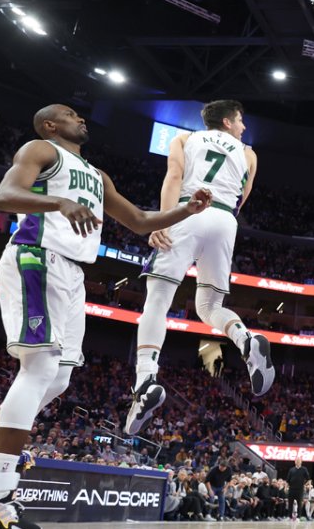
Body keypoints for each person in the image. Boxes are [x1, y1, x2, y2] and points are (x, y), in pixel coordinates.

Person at [0, 105, 213, 529]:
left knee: (58, 378)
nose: (81, 119)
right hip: (38, 256)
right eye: (70, 114)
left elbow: (141, 221)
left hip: (72, 272)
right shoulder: (41, 149)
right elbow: (5, 196)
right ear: (50, 125)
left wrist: (187, 211)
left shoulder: (97, 175)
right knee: (39, 368)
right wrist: (60, 202)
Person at [126, 99, 272, 435]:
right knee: (209, 306)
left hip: (187, 210)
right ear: (226, 121)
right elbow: (242, 196)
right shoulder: (249, 153)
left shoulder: (183, 140)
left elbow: (174, 176)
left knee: (158, 300)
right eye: (241, 120)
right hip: (224, 218)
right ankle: (246, 340)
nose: (244, 127)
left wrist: (163, 220)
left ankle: (146, 380)